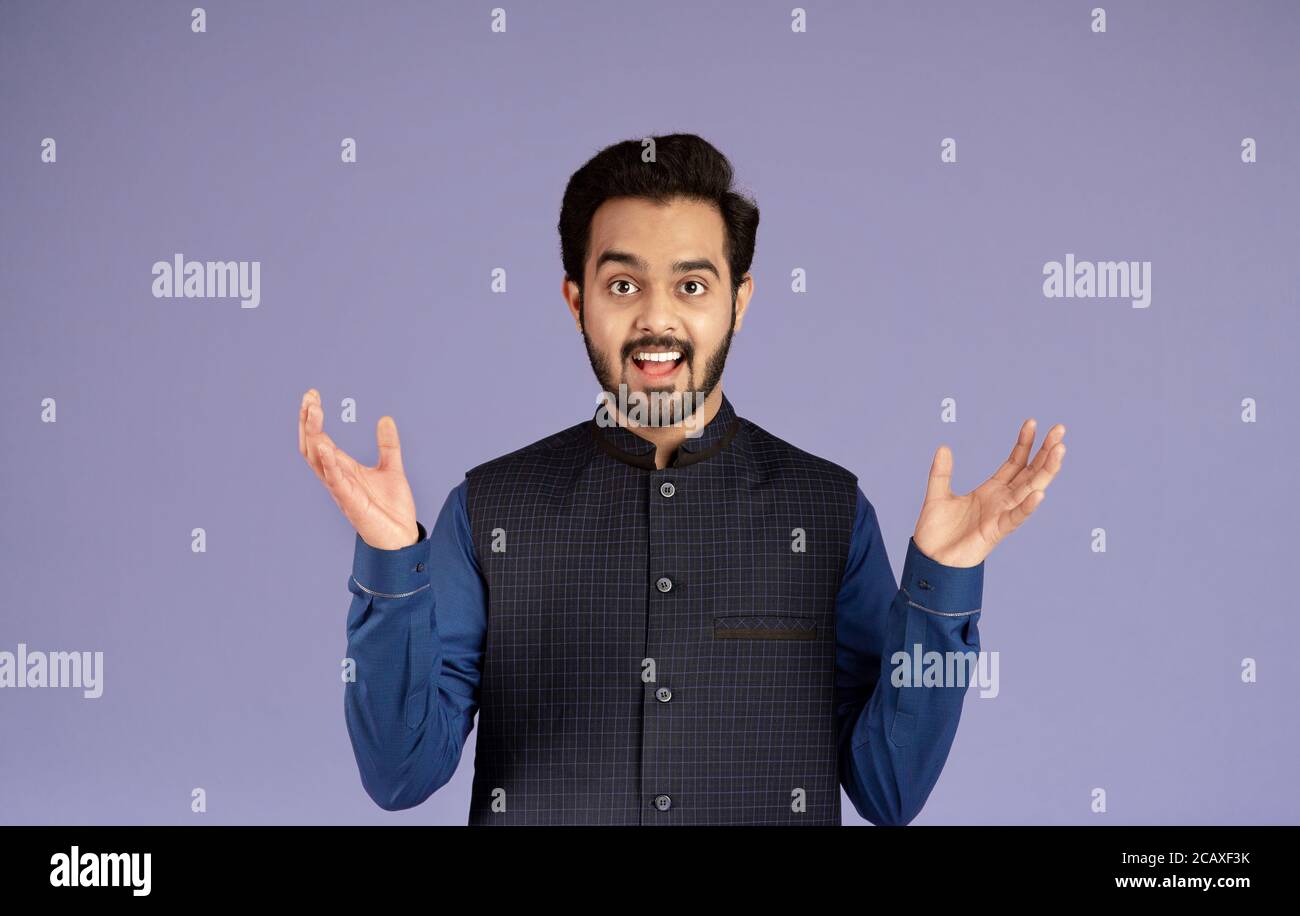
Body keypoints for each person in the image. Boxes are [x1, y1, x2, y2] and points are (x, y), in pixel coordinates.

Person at [297, 133, 1066, 825]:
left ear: (740, 301)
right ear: (577, 303)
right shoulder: (489, 509)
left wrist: (943, 584)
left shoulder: (828, 511)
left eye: (692, 286)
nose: (656, 320)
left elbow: (889, 789)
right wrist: (392, 566)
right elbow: (401, 774)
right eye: (623, 285)